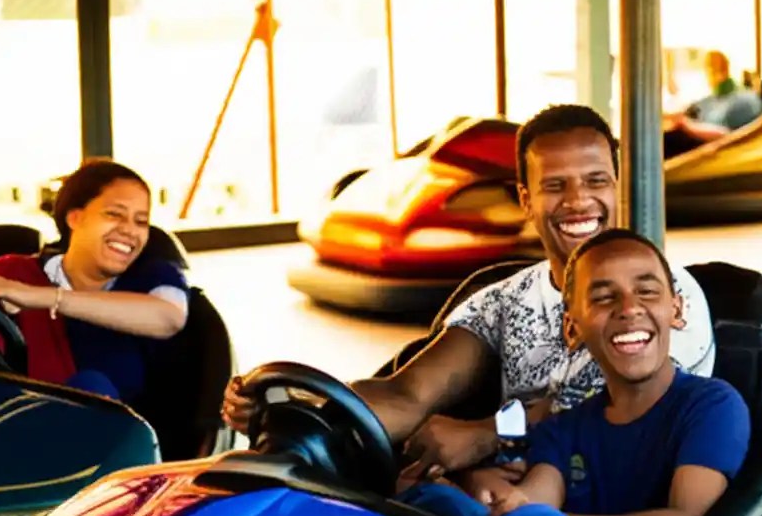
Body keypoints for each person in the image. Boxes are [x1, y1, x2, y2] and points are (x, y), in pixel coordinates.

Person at [223, 104, 716, 478]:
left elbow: (613, 411)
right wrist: (295, 418)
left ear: (616, 187)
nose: (578, 201)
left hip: (613, 515)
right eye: (555, 186)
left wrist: (485, 435)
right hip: (507, 504)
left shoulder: (664, 299)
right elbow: (408, 392)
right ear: (525, 199)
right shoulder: (502, 300)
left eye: (594, 181)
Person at [397, 229, 751, 516]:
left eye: (646, 291)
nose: (628, 309)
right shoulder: (568, 427)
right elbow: (532, 500)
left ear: (675, 310)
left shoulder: (710, 404)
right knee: (437, 503)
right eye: (603, 298)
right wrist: (472, 490)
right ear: (572, 327)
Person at [0, 159, 188, 400]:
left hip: (117, 455)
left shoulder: (154, 277)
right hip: (4, 439)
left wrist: (41, 297)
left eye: (141, 221)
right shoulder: (15, 272)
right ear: (75, 218)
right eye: (114, 214)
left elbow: (167, 317)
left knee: (91, 385)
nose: (130, 230)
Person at [662, 50, 762, 158]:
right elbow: (686, 113)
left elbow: (729, 137)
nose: (708, 75)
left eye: (710, 69)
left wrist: (688, 126)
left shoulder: (744, 101)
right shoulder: (710, 100)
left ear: (723, 71)